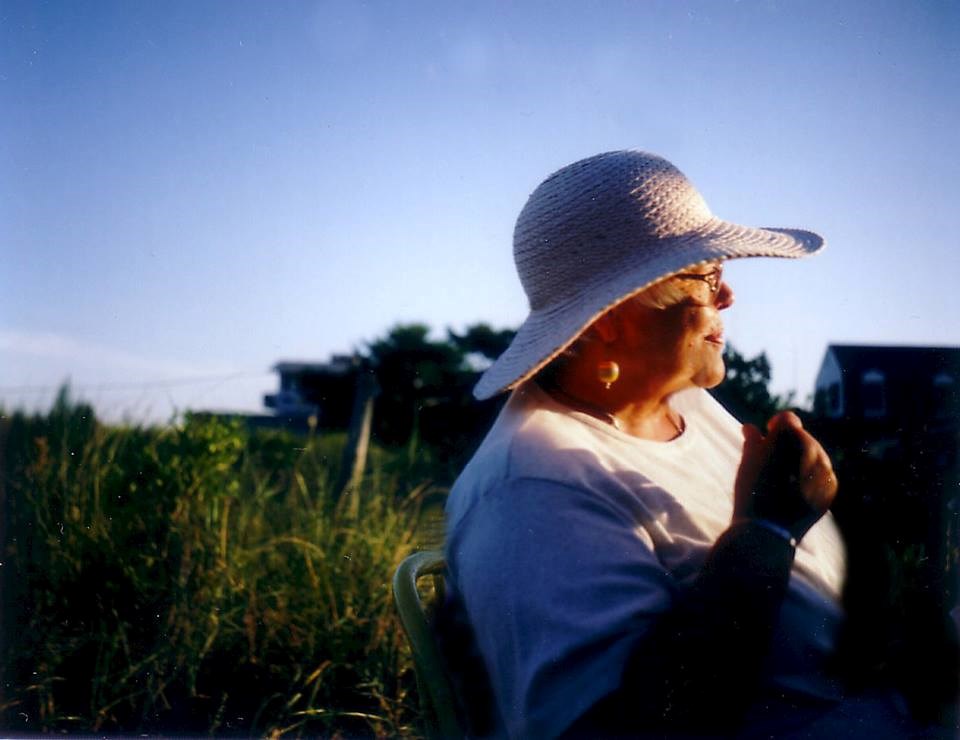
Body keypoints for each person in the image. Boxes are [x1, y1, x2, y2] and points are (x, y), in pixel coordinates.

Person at [439, 150, 954, 738]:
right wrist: (767, 531)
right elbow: (620, 727)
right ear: (610, 316)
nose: (728, 295)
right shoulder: (532, 483)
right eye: (706, 275)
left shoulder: (682, 404)